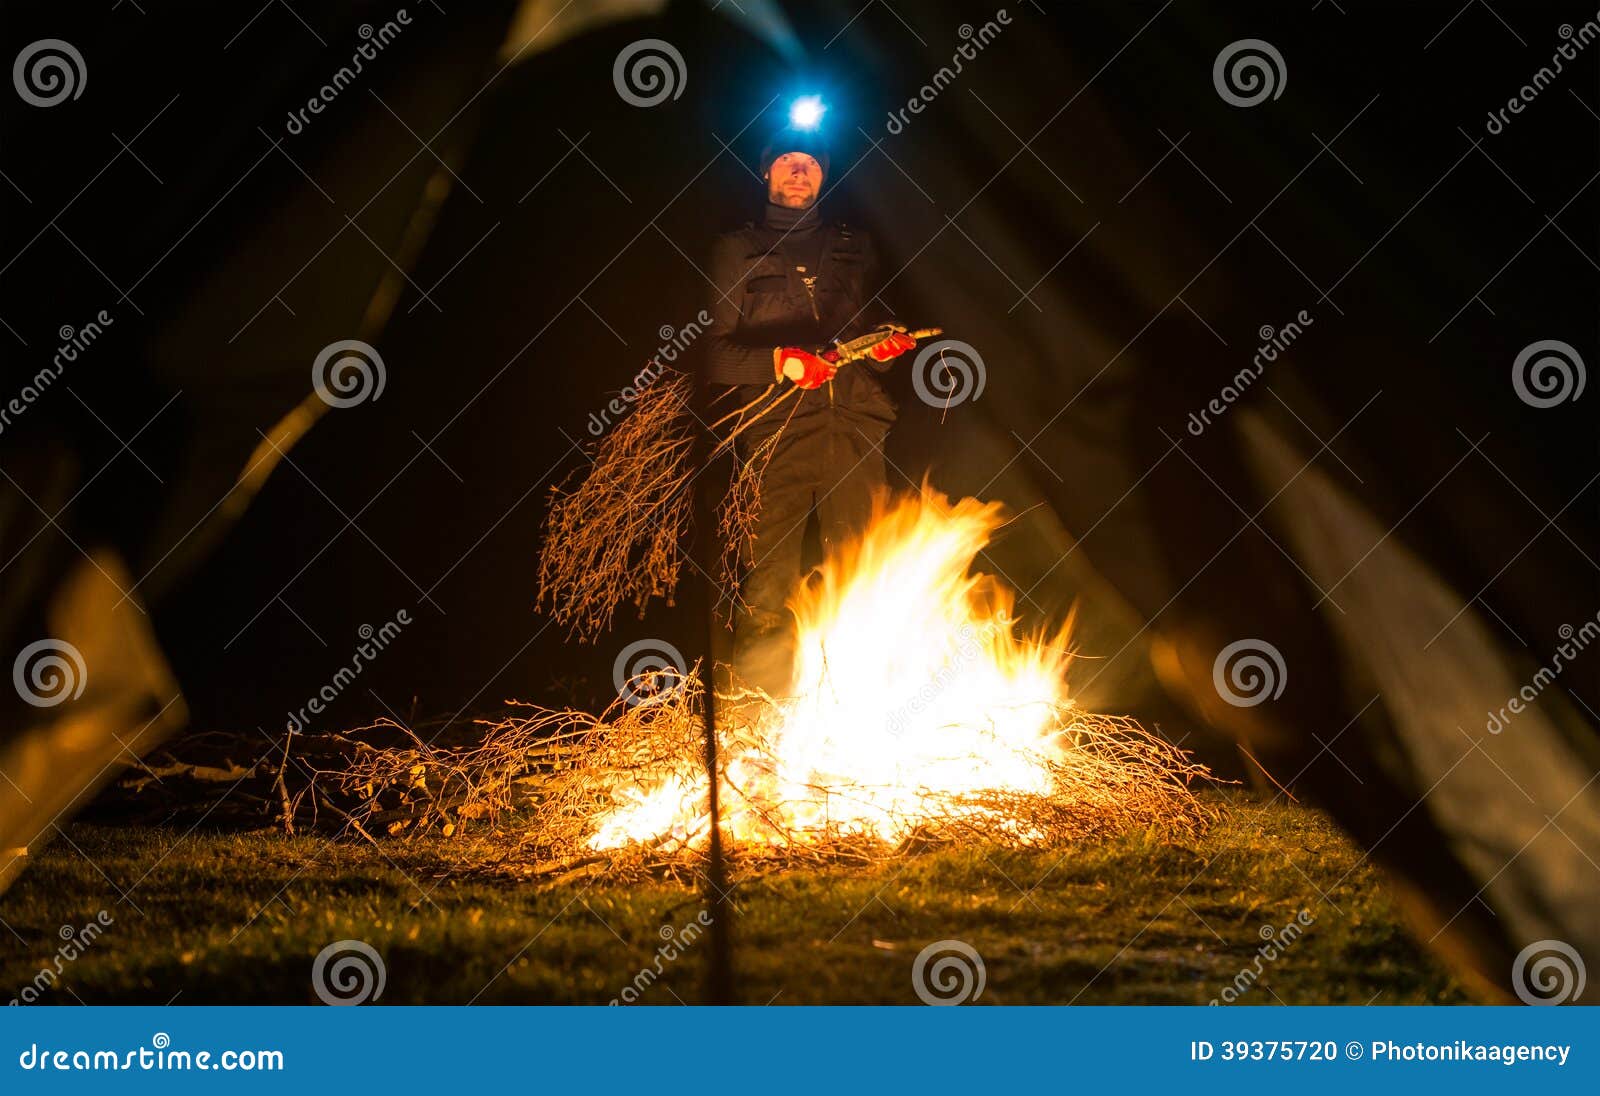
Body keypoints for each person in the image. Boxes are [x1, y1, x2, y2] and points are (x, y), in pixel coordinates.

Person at [703, 124, 917, 694]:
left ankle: (859, 709)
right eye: (787, 161)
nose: (800, 170)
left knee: (861, 578)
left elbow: (871, 334)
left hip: (856, 430)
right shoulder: (738, 249)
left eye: (811, 164)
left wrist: (885, 347)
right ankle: (756, 720)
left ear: (824, 175)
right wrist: (782, 362)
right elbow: (713, 355)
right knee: (770, 585)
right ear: (765, 171)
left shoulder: (857, 247)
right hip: (778, 435)